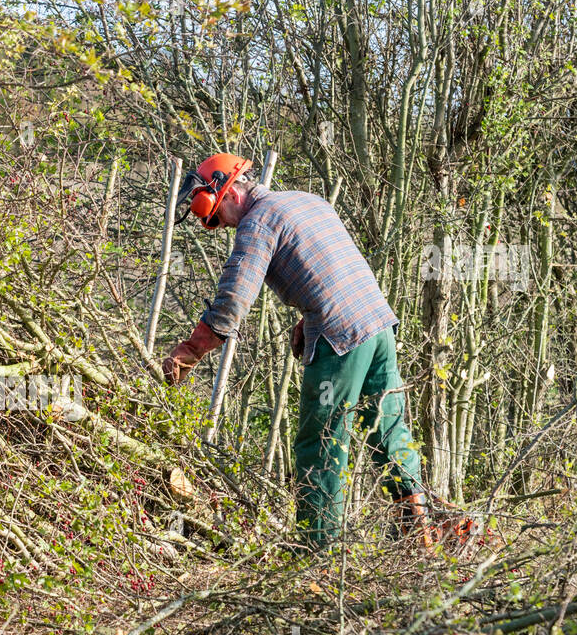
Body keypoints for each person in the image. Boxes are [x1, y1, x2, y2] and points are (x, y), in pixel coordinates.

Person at [162, 152, 437, 549]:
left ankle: (317, 551)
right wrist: (303, 318)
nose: (221, 225)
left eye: (217, 214)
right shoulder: (308, 201)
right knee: (388, 430)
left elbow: (232, 302)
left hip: (339, 337)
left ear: (230, 192)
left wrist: (188, 352)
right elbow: (332, 266)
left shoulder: (258, 222)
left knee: (321, 440)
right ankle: (421, 532)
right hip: (378, 324)